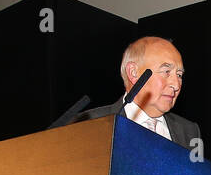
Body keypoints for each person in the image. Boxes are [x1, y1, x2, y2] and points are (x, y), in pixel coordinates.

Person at [70, 36, 200, 147]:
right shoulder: (89, 124)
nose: (176, 85)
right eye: (166, 72)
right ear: (133, 72)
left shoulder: (189, 131)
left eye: (179, 75)